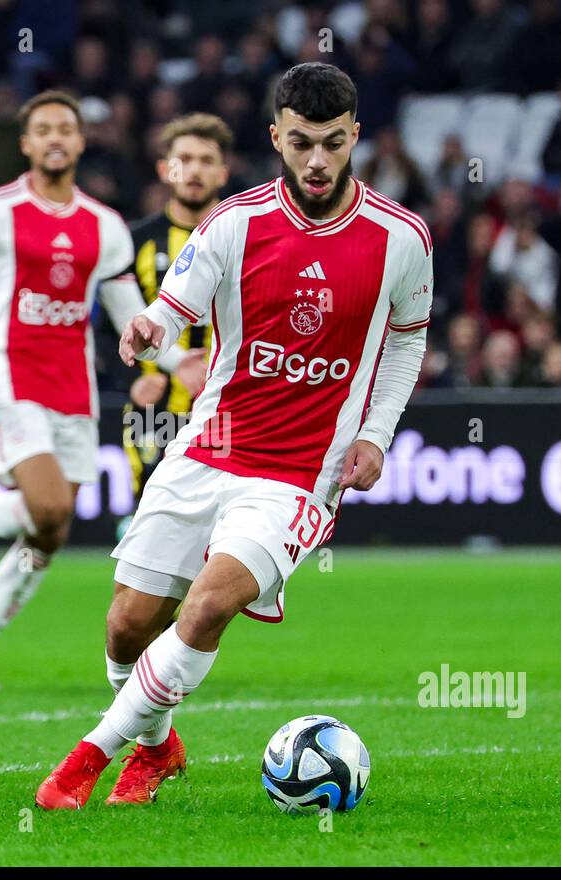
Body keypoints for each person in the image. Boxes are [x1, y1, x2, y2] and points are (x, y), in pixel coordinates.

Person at [35, 63, 432, 809]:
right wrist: (151, 326)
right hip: (208, 447)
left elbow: (406, 345)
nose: (318, 161)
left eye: (334, 144)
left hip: (299, 474)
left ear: (357, 138)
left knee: (210, 604)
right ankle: (159, 747)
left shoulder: (402, 238)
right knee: (126, 627)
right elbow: (171, 305)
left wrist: (375, 436)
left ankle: (87, 759)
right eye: (303, 142)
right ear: (276, 136)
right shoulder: (234, 221)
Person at [0, 91, 192, 690]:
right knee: (49, 507)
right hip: (8, 369)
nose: (54, 138)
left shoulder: (105, 226)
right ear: (25, 143)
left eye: (65, 128)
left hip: (73, 382)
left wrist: (179, 361)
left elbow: (129, 316)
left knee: (48, 534)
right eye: (42, 129)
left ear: (80, 140)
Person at [121, 113, 232, 536]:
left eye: (207, 160)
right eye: (184, 158)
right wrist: (127, 380)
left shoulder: (244, 237)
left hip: (227, 407)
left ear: (222, 172)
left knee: (220, 529)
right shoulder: (134, 241)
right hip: (155, 409)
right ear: (165, 169)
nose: (195, 169)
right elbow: (105, 324)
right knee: (154, 527)